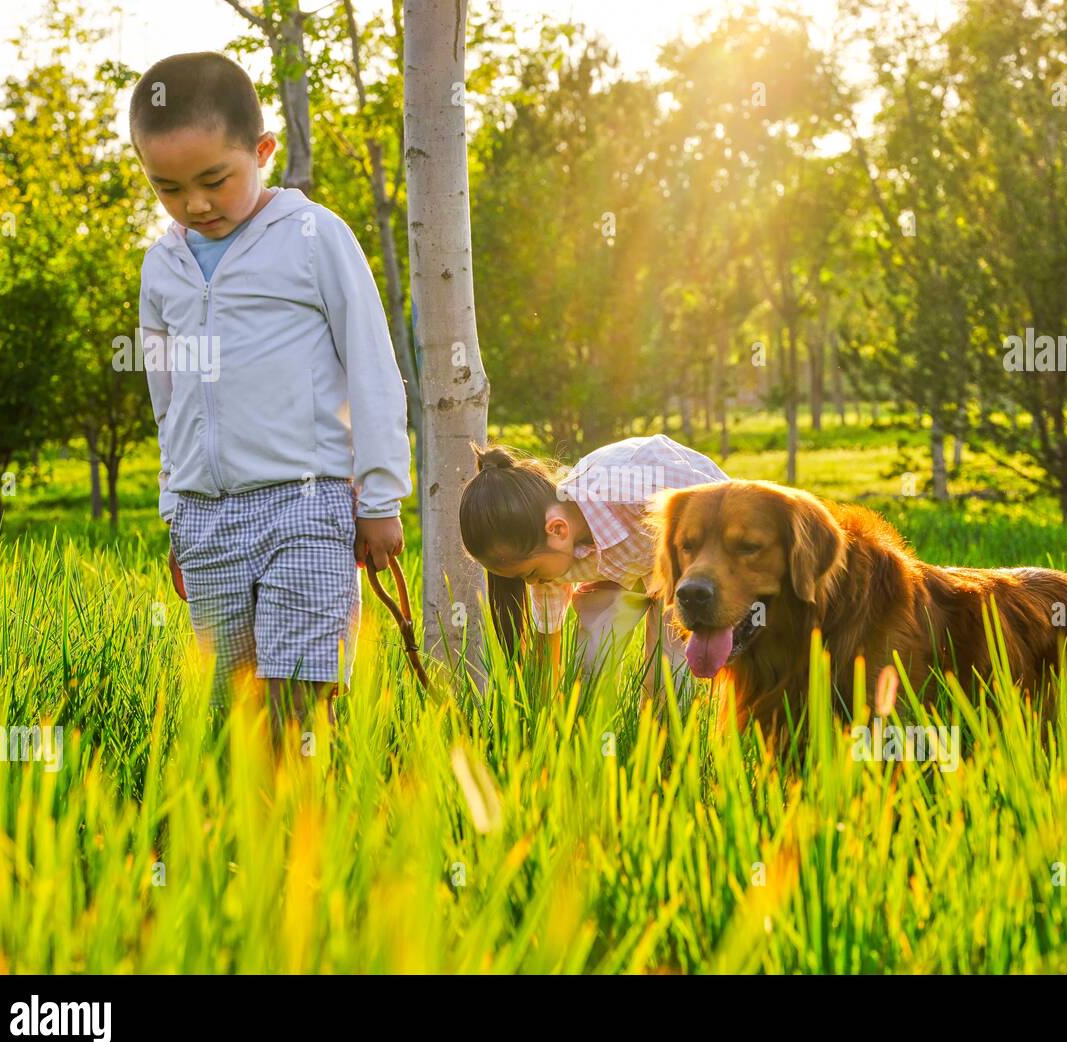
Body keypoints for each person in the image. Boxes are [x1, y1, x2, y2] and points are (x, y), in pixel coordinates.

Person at [130, 52, 411, 740]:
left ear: (262, 151)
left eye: (213, 180)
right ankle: (250, 840)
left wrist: (379, 498)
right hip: (204, 518)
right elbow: (165, 397)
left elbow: (373, 367)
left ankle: (307, 838)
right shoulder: (162, 263)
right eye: (167, 188)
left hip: (306, 503)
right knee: (239, 708)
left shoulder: (314, 238)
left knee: (303, 697)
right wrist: (176, 504)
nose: (193, 204)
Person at [459, 434, 728, 707]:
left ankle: (665, 741)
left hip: (678, 564)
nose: (530, 583)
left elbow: (725, 514)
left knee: (669, 674)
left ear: (558, 530)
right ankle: (592, 732)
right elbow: (547, 639)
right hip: (613, 567)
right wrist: (538, 714)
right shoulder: (547, 561)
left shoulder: (638, 493)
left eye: (529, 574)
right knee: (592, 663)